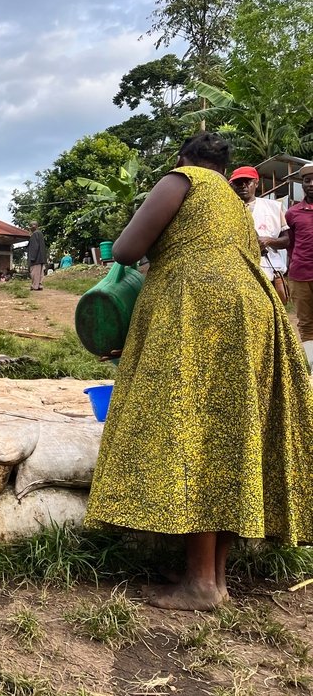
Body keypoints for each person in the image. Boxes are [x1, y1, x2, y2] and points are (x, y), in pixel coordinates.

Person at [85, 132, 313, 611]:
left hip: (201, 311)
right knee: (229, 437)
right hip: (252, 311)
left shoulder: (180, 180)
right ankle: (213, 577)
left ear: (183, 158)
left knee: (196, 431)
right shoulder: (234, 201)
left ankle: (202, 586)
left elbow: (124, 250)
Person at [229, 165, 290, 303]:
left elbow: (287, 240)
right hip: (237, 273)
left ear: (256, 183)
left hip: (269, 272)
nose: (242, 185)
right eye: (238, 182)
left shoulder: (273, 207)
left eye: (247, 181)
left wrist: (268, 240)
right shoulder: (225, 210)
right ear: (232, 185)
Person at [288, 163, 313, 362]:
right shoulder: (292, 213)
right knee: (306, 323)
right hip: (301, 276)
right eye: (307, 180)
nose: (311, 184)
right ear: (302, 184)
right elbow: (290, 243)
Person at [26, 221, 47, 290]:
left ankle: (35, 286)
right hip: (41, 258)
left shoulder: (34, 234)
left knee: (35, 273)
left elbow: (34, 247)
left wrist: (32, 258)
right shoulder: (40, 234)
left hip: (35, 258)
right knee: (40, 273)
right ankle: (39, 285)